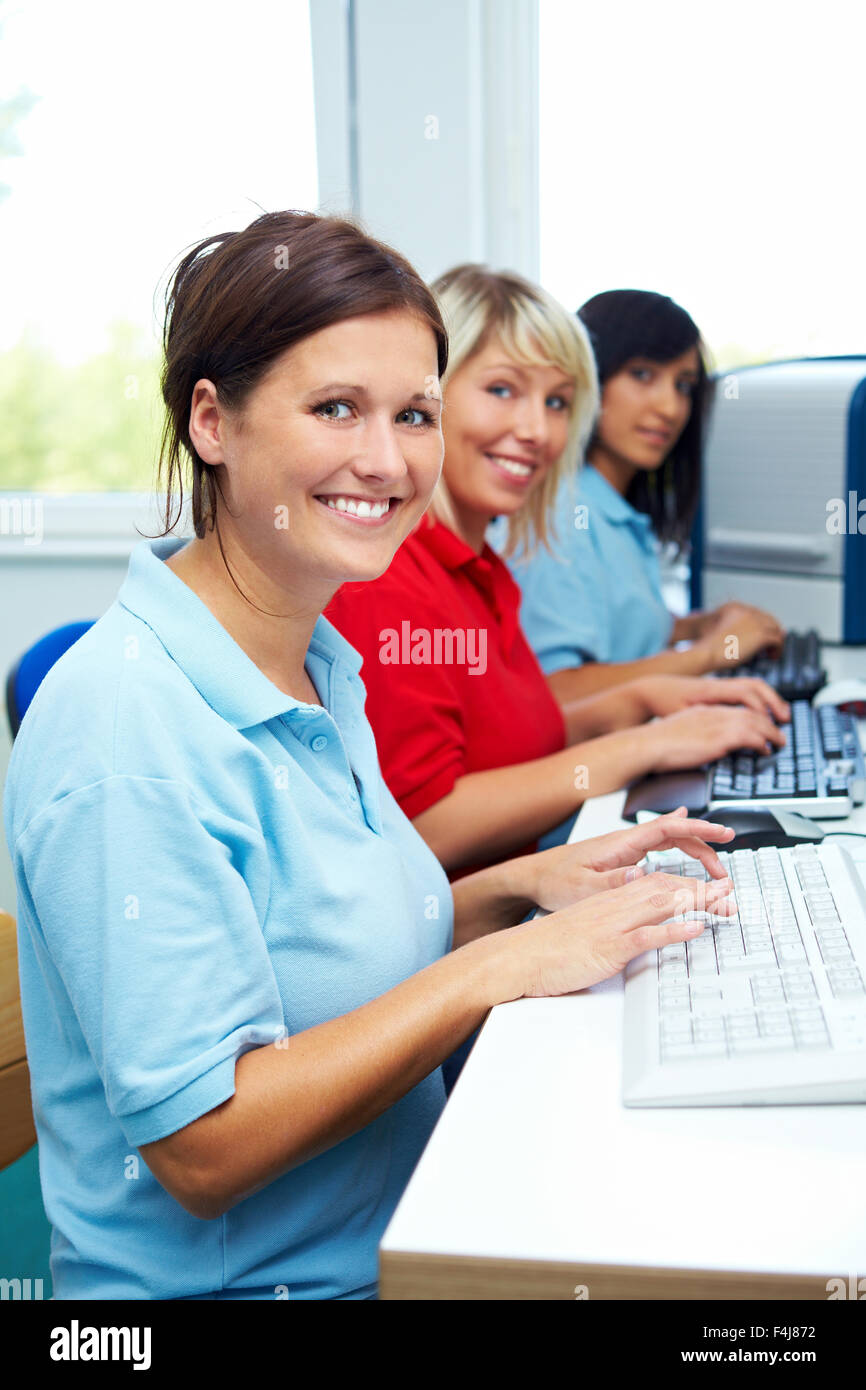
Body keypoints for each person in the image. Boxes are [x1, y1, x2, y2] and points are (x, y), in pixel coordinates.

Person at [2, 212, 740, 1301]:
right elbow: (206, 1147)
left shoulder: (316, 659)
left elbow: (332, 944)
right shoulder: (125, 727)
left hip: (409, 1226)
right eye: (334, 408)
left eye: (413, 414)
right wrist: (498, 964)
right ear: (213, 420)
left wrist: (525, 888)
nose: (386, 460)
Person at [327, 265, 789, 877]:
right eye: (502, 390)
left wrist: (641, 698)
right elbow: (426, 825)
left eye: (557, 403)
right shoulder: (387, 576)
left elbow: (507, 738)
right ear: (424, 397)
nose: (536, 430)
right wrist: (643, 744)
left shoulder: (482, 567)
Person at [502, 288, 787, 705]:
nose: (670, 407)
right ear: (589, 376)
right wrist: (711, 653)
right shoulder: (561, 516)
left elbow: (614, 631)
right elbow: (557, 693)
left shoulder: (609, 508)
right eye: (642, 375)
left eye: (684, 385)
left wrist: (696, 628)